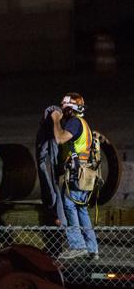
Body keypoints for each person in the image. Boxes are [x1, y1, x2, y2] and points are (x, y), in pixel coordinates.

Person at [50, 93, 99, 259]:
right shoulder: (84, 123)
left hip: (77, 174)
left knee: (70, 207)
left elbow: (60, 139)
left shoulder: (74, 122)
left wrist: (56, 119)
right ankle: (92, 248)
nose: (63, 112)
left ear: (71, 109)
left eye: (65, 109)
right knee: (82, 210)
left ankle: (77, 246)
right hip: (86, 173)